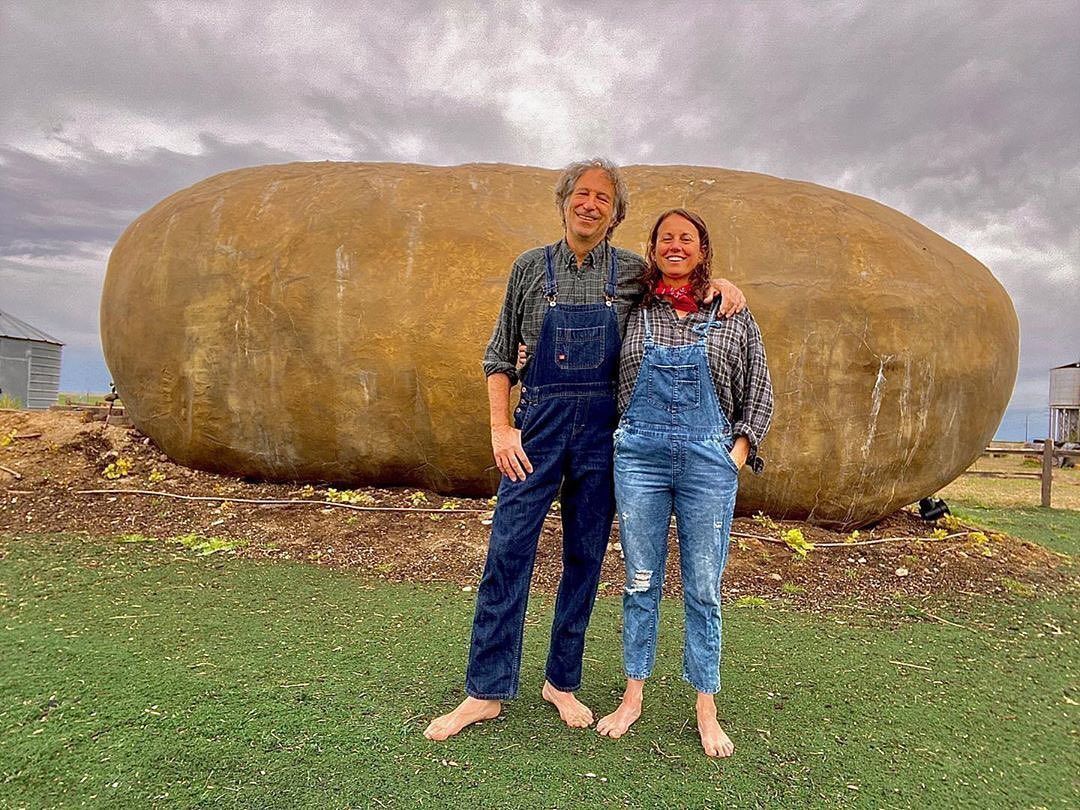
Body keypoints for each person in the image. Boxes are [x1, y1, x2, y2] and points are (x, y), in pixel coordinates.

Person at [424, 160, 747, 741]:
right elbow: (500, 356)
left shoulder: (631, 275)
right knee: (508, 551)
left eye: (603, 197)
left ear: (616, 213)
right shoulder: (528, 268)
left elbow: (688, 285)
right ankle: (485, 691)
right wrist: (502, 430)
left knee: (585, 558)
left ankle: (561, 682)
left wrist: (726, 286)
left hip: (603, 435)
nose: (590, 204)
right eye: (582, 193)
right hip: (536, 430)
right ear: (565, 201)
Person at [595, 208, 773, 758]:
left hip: (707, 464)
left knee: (702, 587)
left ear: (703, 249)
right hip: (640, 459)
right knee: (641, 580)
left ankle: (705, 705)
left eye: (686, 238)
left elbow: (760, 390)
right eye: (665, 238)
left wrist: (736, 453)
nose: (676, 245)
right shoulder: (631, 304)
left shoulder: (733, 311)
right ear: (652, 248)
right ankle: (633, 695)